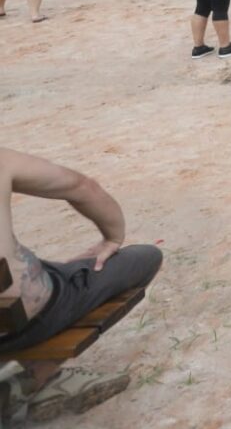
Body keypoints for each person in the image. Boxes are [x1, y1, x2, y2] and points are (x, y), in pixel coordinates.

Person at [0, 148, 163, 376]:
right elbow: (82, 187)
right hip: (26, 324)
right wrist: (113, 237)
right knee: (145, 257)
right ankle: (36, 375)